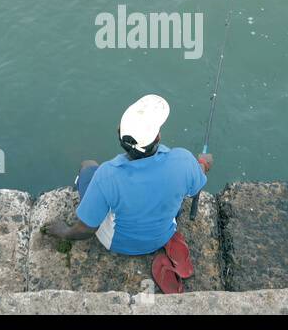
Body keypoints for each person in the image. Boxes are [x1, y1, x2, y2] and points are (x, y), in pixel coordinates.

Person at [42, 95, 212, 266]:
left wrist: (64, 232)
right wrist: (203, 164)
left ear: (120, 136)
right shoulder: (183, 160)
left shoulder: (107, 175)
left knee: (88, 165)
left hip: (117, 243)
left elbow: (87, 229)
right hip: (162, 236)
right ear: (158, 138)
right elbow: (197, 180)